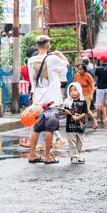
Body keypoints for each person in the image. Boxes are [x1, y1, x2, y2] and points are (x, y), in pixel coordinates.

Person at [27, 35, 68, 164]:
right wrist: (60, 54)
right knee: (50, 128)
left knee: (37, 128)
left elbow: (32, 79)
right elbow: (65, 65)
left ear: (38, 45)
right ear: (48, 45)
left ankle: (32, 154)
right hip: (51, 100)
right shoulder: (53, 58)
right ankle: (47, 156)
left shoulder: (31, 60)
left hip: (38, 100)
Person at [63, 82, 87, 164]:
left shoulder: (83, 101)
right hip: (70, 126)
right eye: (71, 90)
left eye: (75, 90)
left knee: (80, 142)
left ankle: (78, 155)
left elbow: (85, 113)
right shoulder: (67, 102)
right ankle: (74, 157)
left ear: (79, 91)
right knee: (72, 142)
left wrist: (77, 117)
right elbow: (63, 112)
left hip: (80, 126)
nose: (73, 92)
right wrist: (65, 112)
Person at [74, 63, 97, 129]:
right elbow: (75, 84)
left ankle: (94, 120)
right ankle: (80, 123)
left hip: (87, 94)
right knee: (79, 109)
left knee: (87, 109)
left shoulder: (88, 75)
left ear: (84, 69)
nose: (79, 71)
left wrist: (91, 94)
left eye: (81, 69)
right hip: (79, 94)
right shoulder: (77, 75)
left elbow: (92, 86)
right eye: (78, 69)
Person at [95, 56, 107, 124]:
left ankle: (98, 118)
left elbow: (97, 77)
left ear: (101, 61)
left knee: (99, 103)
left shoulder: (97, 69)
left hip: (100, 88)